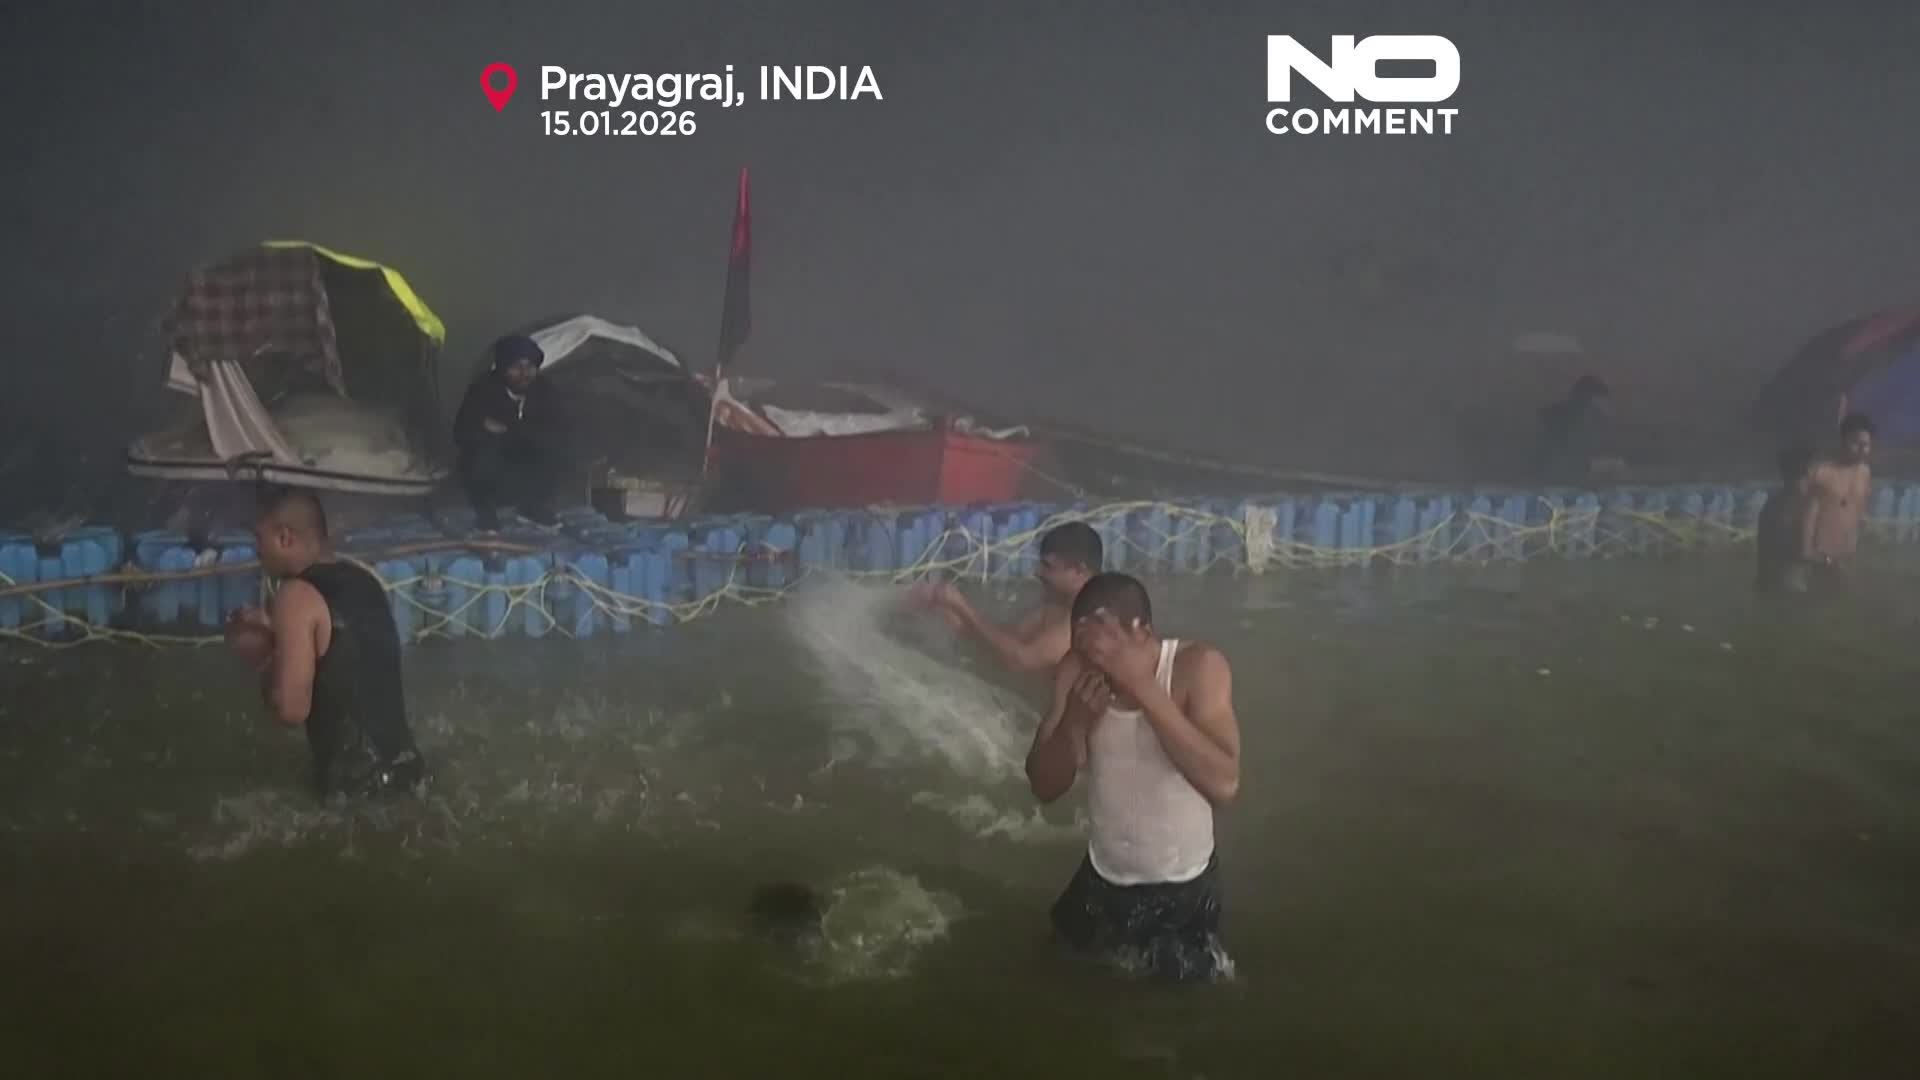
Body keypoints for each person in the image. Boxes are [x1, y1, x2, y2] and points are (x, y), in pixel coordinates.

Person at [1026, 572, 1240, 981]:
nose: (1093, 663)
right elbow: (1043, 786)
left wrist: (1143, 688)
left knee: (1169, 1016)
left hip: (1182, 884)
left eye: (1103, 650)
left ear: (1141, 632)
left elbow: (1225, 784)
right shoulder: (1075, 671)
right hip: (1104, 873)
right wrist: (1073, 722)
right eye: (1082, 649)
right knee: (1051, 975)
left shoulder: (1197, 667)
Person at [223, 486, 426, 800]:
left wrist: (261, 657)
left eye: (258, 539)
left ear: (284, 537)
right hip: (409, 775)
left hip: (356, 793)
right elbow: (347, 658)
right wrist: (277, 633)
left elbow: (290, 710)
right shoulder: (365, 581)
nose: (257, 551)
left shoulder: (294, 596)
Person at [910, 521, 1102, 674]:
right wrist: (962, 624)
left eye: (1048, 566)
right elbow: (1013, 637)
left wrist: (963, 608)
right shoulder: (1055, 606)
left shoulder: (1085, 622)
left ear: (1079, 570)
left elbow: (1021, 660)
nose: (1037, 572)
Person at [454, 334, 565, 531]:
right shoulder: (483, 389)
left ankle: (532, 507)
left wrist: (511, 430)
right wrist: (482, 425)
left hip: (525, 464)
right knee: (483, 449)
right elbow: (462, 432)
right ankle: (485, 510)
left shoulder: (545, 390)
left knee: (553, 448)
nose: (524, 373)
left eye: (530, 367)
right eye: (516, 367)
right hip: (494, 470)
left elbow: (557, 429)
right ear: (502, 368)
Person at [1796, 412, 1874, 591]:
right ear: (1843, 441)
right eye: (1856, 443)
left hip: (1847, 555)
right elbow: (1807, 515)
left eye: (1867, 445)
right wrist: (1806, 552)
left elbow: (1858, 510)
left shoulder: (1865, 473)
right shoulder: (1823, 473)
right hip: (1820, 556)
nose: (1862, 449)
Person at [1536, 374, 1624, 484]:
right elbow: (1553, 471)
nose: (1604, 422)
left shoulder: (1599, 436)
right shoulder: (1559, 436)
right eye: (1596, 415)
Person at [1755, 444, 1815, 594]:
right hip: (1794, 588)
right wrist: (1830, 559)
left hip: (1766, 585)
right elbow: (1804, 553)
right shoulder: (1806, 504)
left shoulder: (1770, 505)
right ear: (1809, 471)